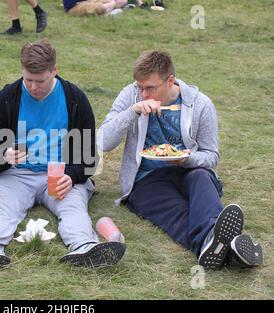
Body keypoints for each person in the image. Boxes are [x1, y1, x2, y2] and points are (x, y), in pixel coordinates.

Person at [0, 39, 125, 272]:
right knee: (1, 207)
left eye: (40, 81)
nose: (33, 87)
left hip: (60, 172)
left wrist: (71, 174)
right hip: (16, 174)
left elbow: (89, 157)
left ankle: (85, 247)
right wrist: (4, 156)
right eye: (28, 79)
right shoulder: (7, 98)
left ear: (54, 71)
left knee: (73, 209)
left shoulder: (74, 99)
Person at [98, 50, 263, 269]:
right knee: (176, 214)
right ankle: (223, 246)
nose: (144, 93)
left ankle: (214, 245)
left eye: (150, 88)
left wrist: (188, 159)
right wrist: (133, 111)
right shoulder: (131, 96)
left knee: (202, 179)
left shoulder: (201, 104)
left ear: (170, 80)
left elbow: (211, 155)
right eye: (141, 87)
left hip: (190, 170)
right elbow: (103, 142)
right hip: (147, 179)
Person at [63, 0, 128, 16]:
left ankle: (111, 9)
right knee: (101, 7)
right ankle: (109, 12)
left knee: (123, 1)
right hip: (74, 6)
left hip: (89, 1)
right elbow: (69, 4)